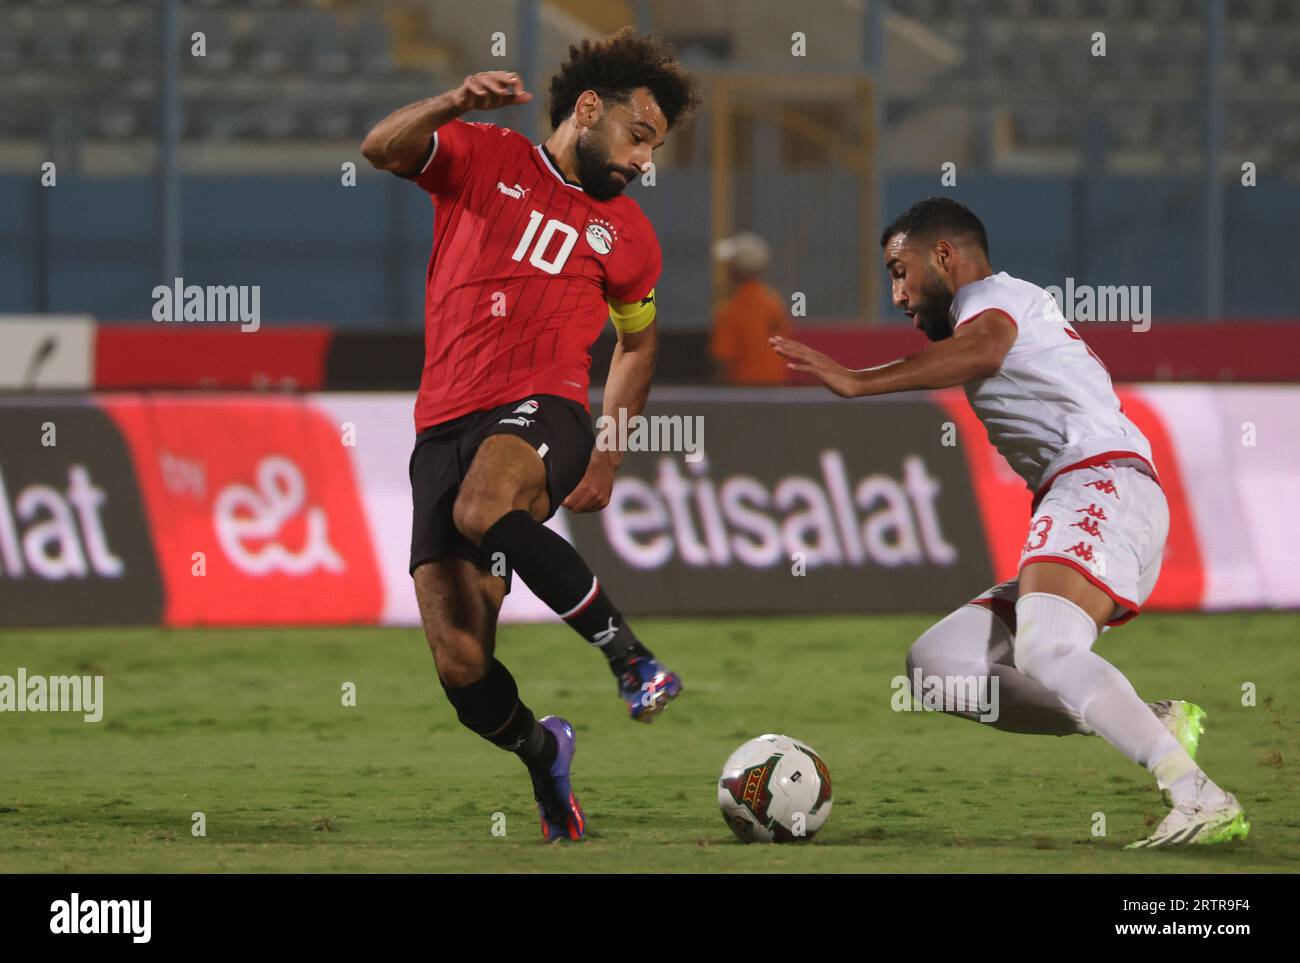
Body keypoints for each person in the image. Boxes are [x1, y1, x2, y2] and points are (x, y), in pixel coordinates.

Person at [770, 196, 1249, 848]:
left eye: (901, 270)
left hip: (1099, 483)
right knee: (939, 665)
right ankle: (1148, 721)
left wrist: (857, 381)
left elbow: (986, 350)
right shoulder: (998, 307)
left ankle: (1197, 793)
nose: (899, 293)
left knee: (1047, 650)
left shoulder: (991, 300)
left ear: (944, 255)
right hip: (1093, 496)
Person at [360, 30, 701, 842]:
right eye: (638, 135)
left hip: (547, 407)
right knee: (461, 663)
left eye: (653, 147)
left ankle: (632, 658)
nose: (644, 160)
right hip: (442, 422)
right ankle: (542, 750)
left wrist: (610, 448)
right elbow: (380, 148)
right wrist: (451, 101)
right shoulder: (481, 157)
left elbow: (640, 342)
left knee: (485, 504)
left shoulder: (630, 239)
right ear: (589, 109)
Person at [709, 232, 792, 385]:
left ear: (734, 271)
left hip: (743, 393)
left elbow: (722, 359)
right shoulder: (775, 303)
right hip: (777, 391)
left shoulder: (731, 310)